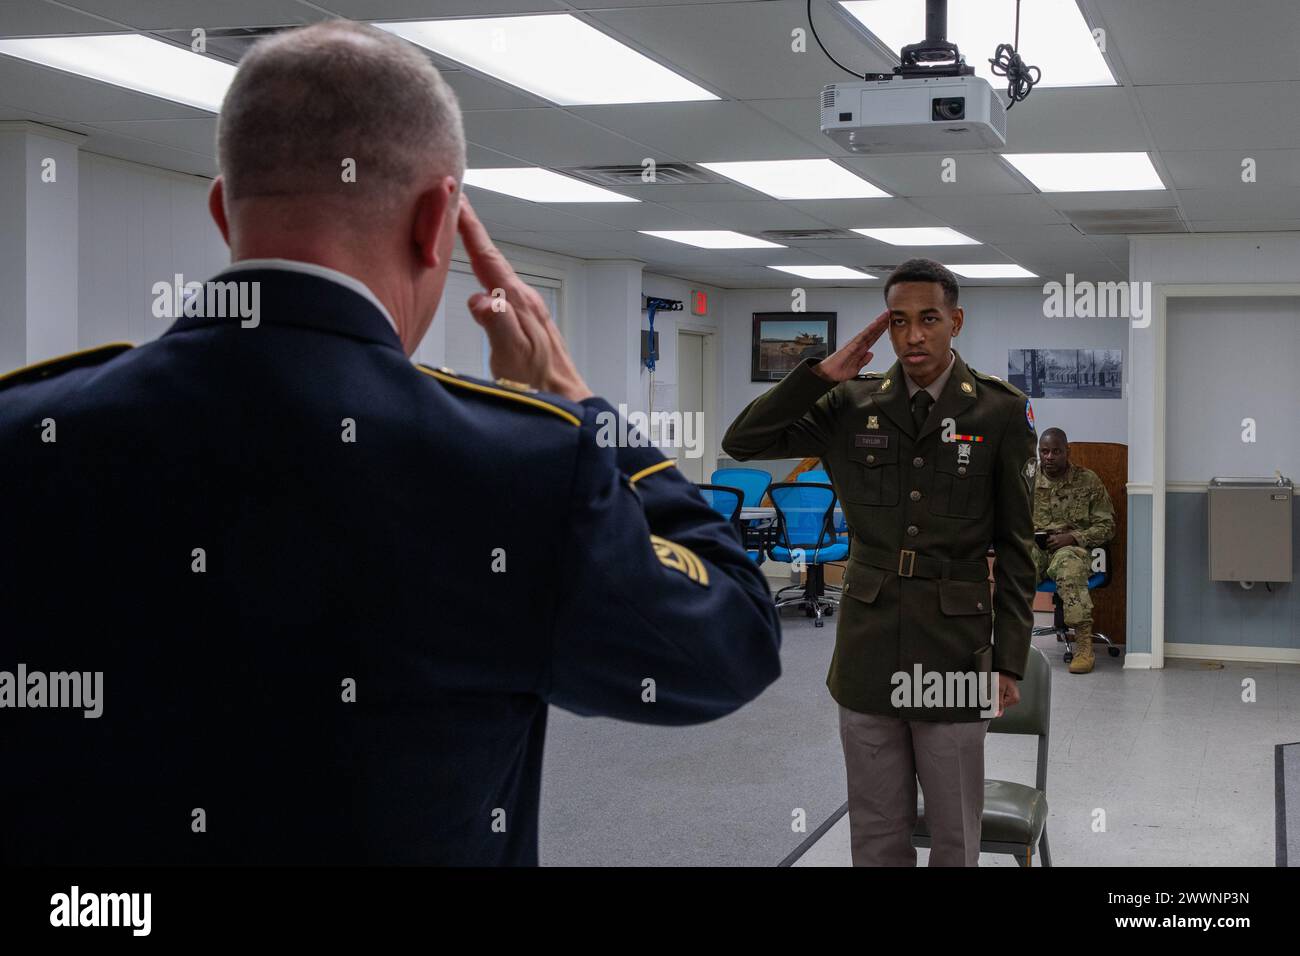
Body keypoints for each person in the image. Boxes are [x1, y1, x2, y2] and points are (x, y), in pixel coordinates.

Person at [0, 21, 781, 865]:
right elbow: (731, 642)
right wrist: (582, 405)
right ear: (438, 221)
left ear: (224, 208)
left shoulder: (28, 431)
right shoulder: (518, 468)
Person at [723, 258, 1037, 866]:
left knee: (954, 833)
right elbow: (743, 442)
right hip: (869, 643)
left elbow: (1019, 548)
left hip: (956, 645)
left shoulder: (999, 412)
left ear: (956, 321)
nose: (913, 335)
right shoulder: (849, 403)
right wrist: (816, 377)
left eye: (929, 319)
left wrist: (1010, 661)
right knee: (875, 831)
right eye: (898, 321)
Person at [1032, 427, 1116, 674]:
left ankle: (1083, 646)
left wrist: (1073, 537)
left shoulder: (1087, 480)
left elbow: (1108, 526)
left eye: (1055, 451)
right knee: (1016, 567)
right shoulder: (1027, 479)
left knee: (1069, 565)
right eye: (1044, 451)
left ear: (1067, 452)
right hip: (1035, 548)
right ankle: (1009, 647)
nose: (1048, 457)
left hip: (1071, 549)